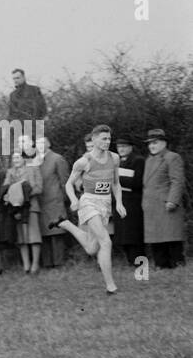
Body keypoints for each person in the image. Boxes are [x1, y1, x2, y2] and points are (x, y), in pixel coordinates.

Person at [50, 125, 125, 294]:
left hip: (105, 203)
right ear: (94, 139)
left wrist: (119, 203)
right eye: (104, 139)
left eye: (109, 139)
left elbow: (115, 183)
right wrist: (74, 200)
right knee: (106, 241)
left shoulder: (114, 158)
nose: (107, 142)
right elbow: (69, 184)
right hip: (88, 201)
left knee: (92, 248)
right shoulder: (84, 161)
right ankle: (110, 286)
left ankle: (66, 225)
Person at [141, 130, 185, 268]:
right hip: (150, 205)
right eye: (150, 143)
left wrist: (173, 200)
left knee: (170, 236)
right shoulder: (149, 159)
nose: (152, 146)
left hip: (166, 203)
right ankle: (161, 265)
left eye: (155, 143)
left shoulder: (172, 157)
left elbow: (177, 181)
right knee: (155, 238)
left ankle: (177, 264)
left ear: (164, 143)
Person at [2, 137, 44, 273]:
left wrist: (23, 194)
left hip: (31, 206)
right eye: (13, 158)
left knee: (33, 236)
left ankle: (35, 264)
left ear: (23, 158)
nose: (16, 160)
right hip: (16, 208)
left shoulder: (33, 169)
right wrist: (9, 196)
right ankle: (26, 265)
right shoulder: (9, 172)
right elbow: (5, 187)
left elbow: (39, 188)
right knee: (22, 237)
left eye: (18, 158)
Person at [37, 133, 71, 269]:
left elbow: (65, 180)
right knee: (44, 233)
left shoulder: (57, 159)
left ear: (48, 144)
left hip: (55, 200)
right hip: (41, 201)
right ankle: (47, 263)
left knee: (56, 231)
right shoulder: (36, 161)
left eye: (42, 143)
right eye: (37, 144)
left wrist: (65, 198)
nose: (40, 146)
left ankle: (59, 262)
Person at [113, 134, 146, 265]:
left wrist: (116, 178)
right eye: (119, 146)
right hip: (119, 201)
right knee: (123, 235)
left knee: (133, 235)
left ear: (131, 147)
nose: (121, 149)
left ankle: (140, 263)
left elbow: (137, 182)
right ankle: (130, 262)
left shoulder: (138, 160)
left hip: (133, 202)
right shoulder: (116, 161)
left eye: (124, 146)